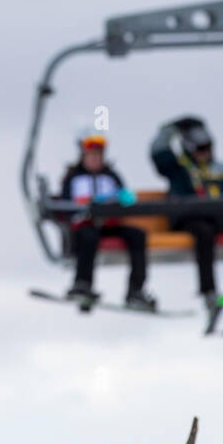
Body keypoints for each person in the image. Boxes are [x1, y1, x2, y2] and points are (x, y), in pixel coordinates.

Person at [151, 116, 223, 312]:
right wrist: (172, 129)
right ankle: (209, 293)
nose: (205, 152)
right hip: (192, 218)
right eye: (200, 148)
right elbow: (157, 152)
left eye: (208, 147)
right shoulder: (178, 168)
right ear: (189, 148)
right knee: (204, 234)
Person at [60, 127, 156, 310]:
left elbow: (125, 198)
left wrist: (121, 201)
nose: (95, 158)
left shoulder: (111, 176)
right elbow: (67, 206)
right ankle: (83, 284)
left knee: (137, 235)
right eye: (91, 154)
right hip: (86, 225)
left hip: (110, 224)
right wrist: (86, 208)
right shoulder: (73, 178)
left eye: (99, 154)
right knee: (88, 238)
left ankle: (136, 290)